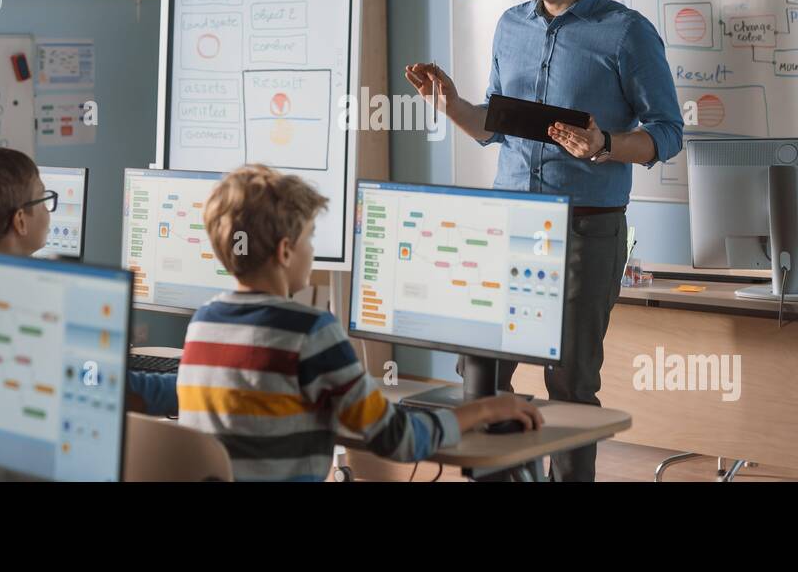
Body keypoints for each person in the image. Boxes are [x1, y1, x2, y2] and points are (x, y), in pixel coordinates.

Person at [405, 0, 683, 481]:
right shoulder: (511, 26)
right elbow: (493, 129)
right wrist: (449, 103)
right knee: (480, 373)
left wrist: (604, 144)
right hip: (506, 225)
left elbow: (667, 133)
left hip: (587, 226)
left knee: (571, 383)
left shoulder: (626, 32)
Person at [172, 164, 544, 481]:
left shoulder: (203, 323)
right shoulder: (311, 333)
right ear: (286, 251)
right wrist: (486, 410)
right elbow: (398, 439)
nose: (313, 251)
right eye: (309, 239)